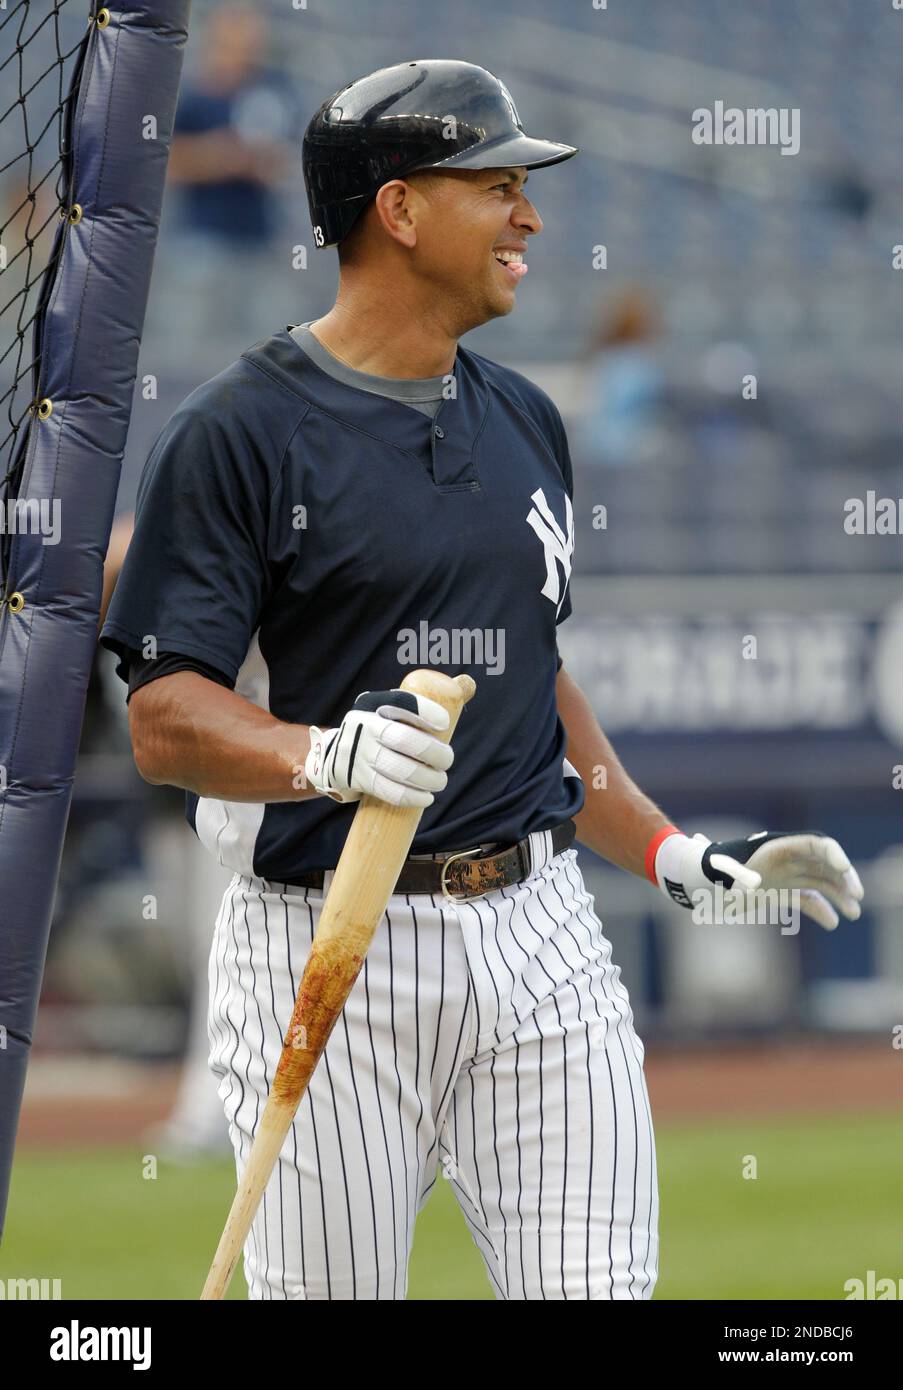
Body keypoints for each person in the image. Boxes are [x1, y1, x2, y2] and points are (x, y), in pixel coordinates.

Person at [100, 59, 863, 1301]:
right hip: (325, 939)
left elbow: (537, 689)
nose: (531, 216)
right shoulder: (237, 429)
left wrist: (678, 857)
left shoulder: (524, 420)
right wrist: (323, 755)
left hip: (540, 924)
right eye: (497, 185)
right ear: (398, 211)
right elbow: (161, 719)